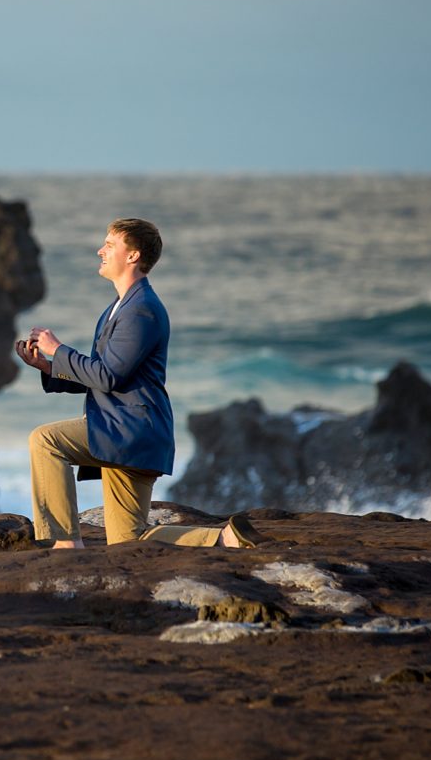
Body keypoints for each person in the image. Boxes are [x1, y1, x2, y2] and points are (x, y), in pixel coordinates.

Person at [15, 218, 266, 549]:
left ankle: (64, 543)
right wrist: (48, 366)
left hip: (130, 430)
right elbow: (104, 376)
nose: (100, 250)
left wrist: (58, 349)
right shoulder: (120, 307)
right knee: (129, 540)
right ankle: (225, 538)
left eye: (109, 244)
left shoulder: (141, 309)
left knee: (45, 440)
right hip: (126, 429)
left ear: (132, 255)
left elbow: (107, 376)